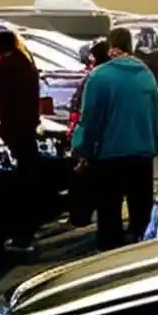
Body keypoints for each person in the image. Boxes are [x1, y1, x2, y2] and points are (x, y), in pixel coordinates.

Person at [73, 27, 158, 251]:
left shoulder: (100, 77)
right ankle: (145, 254)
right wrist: (153, 144)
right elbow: (155, 115)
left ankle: (112, 257)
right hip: (142, 153)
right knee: (142, 213)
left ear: (111, 45)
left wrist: (82, 150)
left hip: (109, 155)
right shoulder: (146, 75)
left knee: (109, 212)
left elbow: (90, 120)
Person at [0, 30, 42, 254]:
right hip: (29, 131)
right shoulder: (27, 64)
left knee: (15, 186)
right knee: (29, 182)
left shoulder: (2, 68)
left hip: (11, 133)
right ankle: (30, 230)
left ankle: (19, 237)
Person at [66, 38, 111, 227]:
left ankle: (80, 217)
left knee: (84, 179)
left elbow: (81, 109)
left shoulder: (93, 78)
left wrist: (78, 139)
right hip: (109, 140)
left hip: (90, 138)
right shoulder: (109, 77)